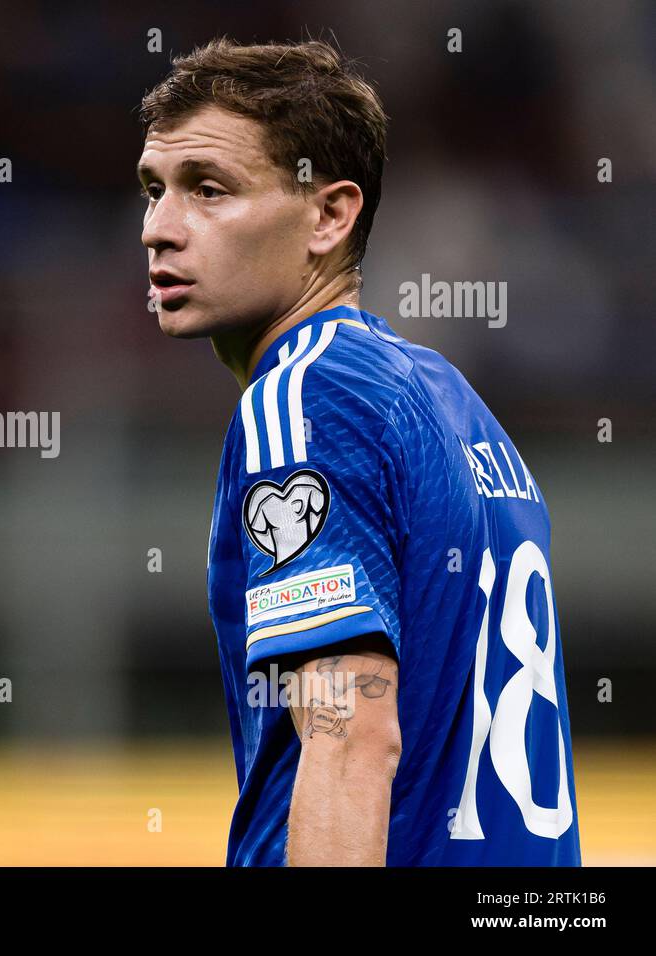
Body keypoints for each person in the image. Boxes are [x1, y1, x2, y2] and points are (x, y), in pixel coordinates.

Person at [136, 37, 580, 865]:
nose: (160, 229)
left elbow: (347, 738)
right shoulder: (454, 404)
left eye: (208, 189)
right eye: (153, 190)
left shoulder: (305, 398)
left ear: (330, 214)